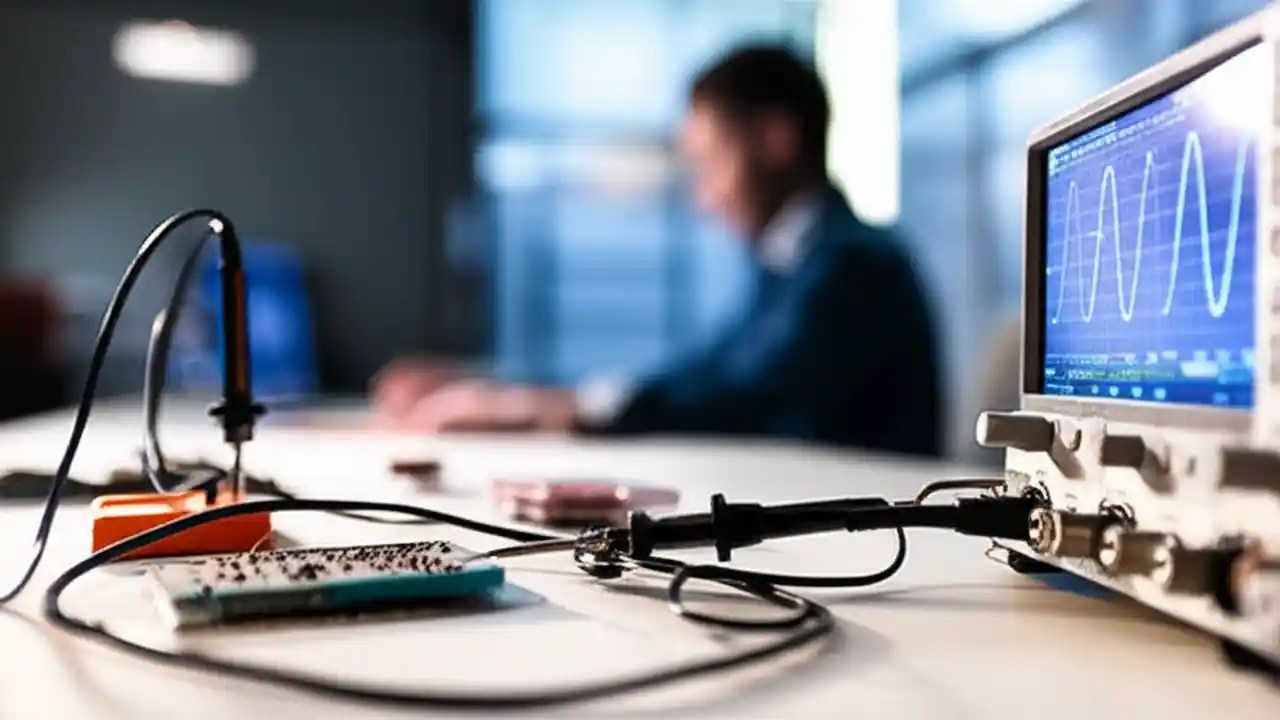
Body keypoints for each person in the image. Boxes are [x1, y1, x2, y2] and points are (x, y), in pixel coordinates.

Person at [373, 45, 943, 456]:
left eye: (709, 162)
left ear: (776, 138)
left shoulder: (853, 265)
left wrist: (533, 406)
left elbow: (738, 394)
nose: (704, 198)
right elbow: (699, 371)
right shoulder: (796, 259)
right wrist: (509, 389)